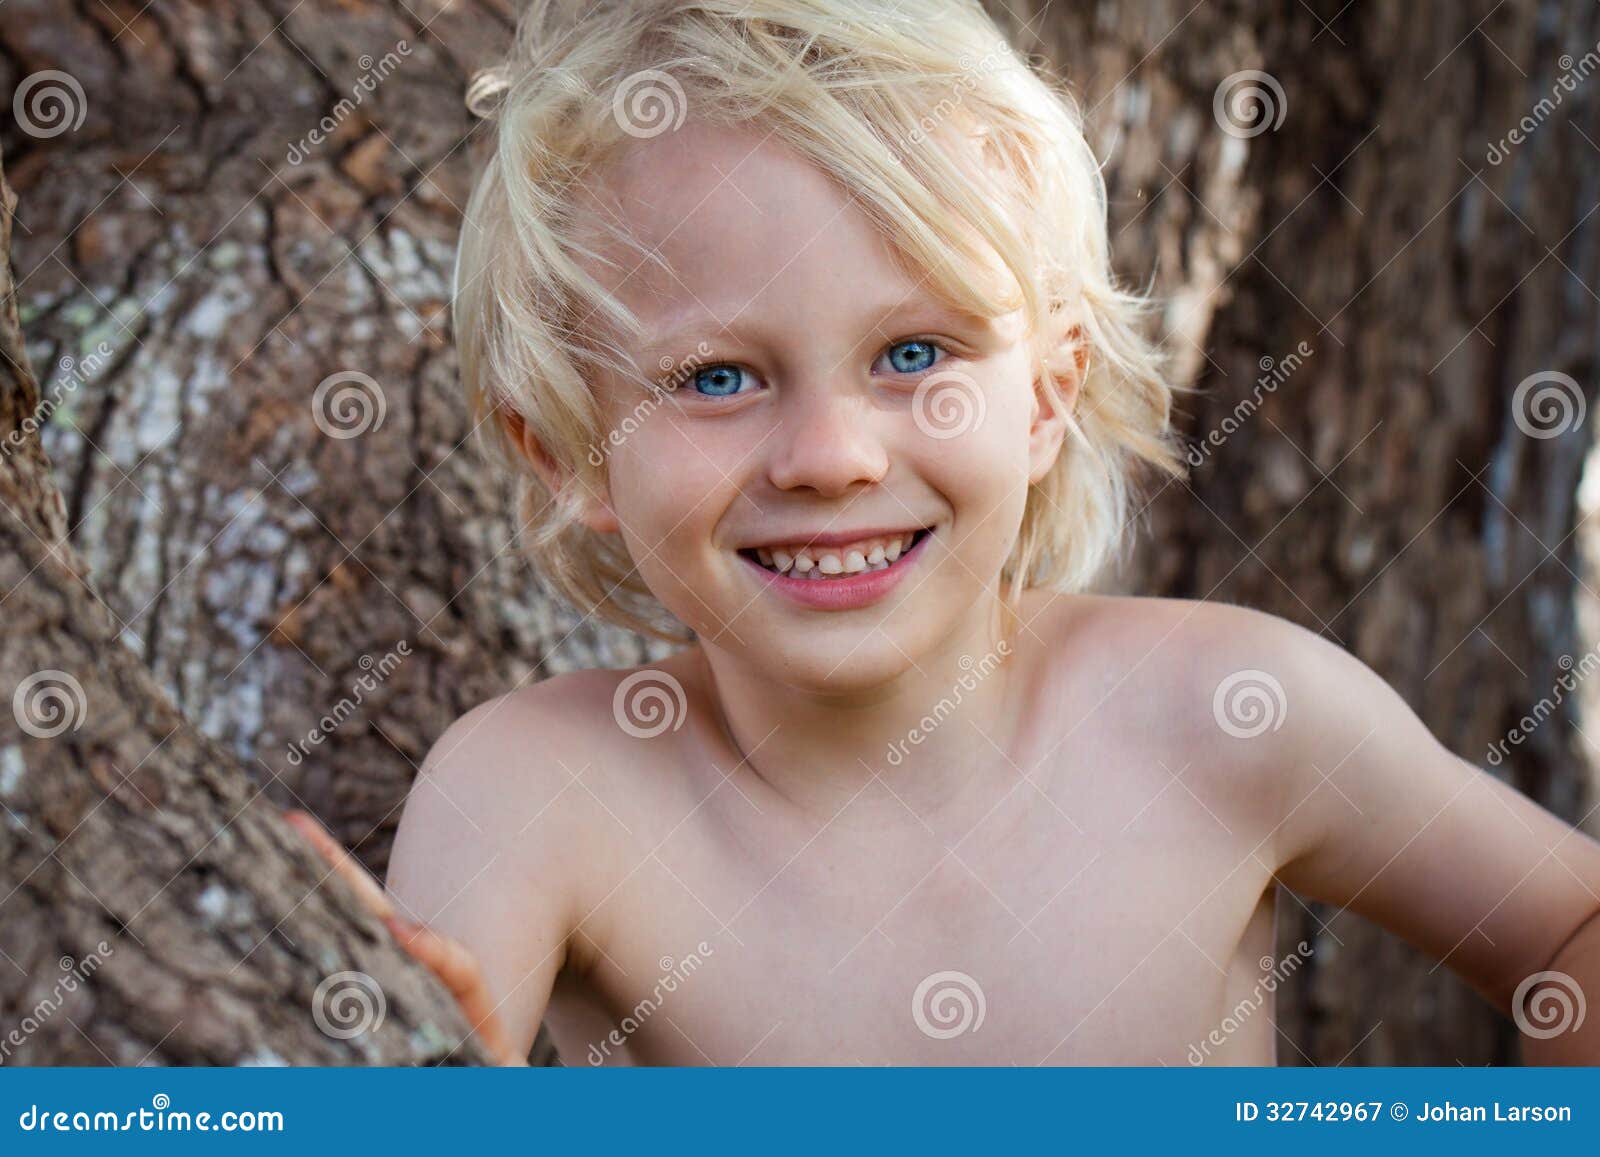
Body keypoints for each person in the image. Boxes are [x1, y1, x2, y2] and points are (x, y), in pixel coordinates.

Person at [289, 0, 1600, 1065]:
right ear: (569, 447)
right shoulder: (543, 794)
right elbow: (423, 1073)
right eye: (714, 378)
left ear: (1047, 396)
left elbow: (1568, 932)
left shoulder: (1231, 714)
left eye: (914, 352)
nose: (830, 458)